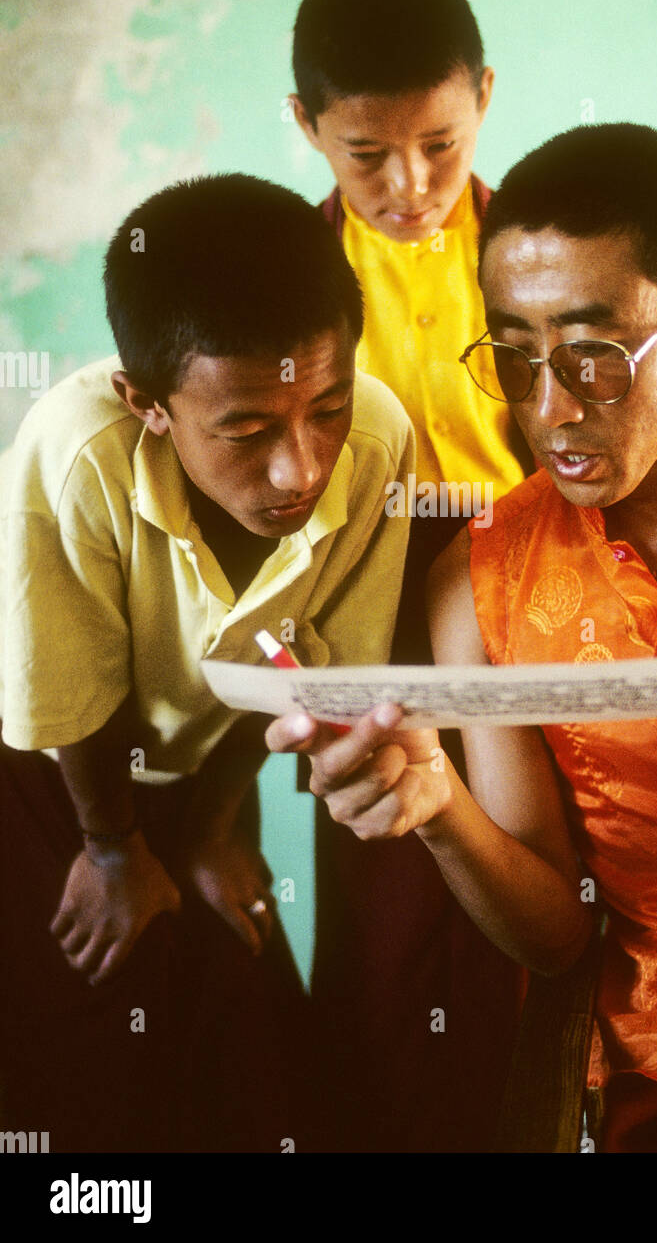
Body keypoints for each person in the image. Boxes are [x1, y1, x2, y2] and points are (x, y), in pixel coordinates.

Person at [268, 123, 657, 1153]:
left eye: (593, 357)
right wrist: (437, 805)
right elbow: (554, 935)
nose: (549, 411)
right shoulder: (480, 580)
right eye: (513, 354)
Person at [0, 173, 413, 1152]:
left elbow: (306, 673)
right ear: (145, 403)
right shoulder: (76, 449)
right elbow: (62, 692)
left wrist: (217, 828)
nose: (300, 471)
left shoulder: (381, 440)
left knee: (249, 1036)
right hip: (51, 774)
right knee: (94, 1041)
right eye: (246, 430)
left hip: (206, 773)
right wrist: (113, 852)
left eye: (325, 408)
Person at [287, 0, 528, 1151]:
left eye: (440, 143)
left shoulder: (532, 245)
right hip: (363, 604)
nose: (410, 185)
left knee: (536, 890)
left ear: (483, 94)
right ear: (307, 130)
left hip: (531, 589)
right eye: (365, 155)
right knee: (383, 918)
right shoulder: (285, 272)